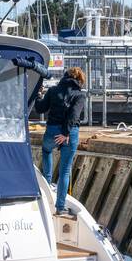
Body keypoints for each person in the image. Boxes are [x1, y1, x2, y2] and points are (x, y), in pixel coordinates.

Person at [33, 66, 88, 216]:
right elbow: (74, 115)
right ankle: (60, 207)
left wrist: (38, 95)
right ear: (80, 80)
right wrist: (65, 133)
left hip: (52, 131)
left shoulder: (53, 91)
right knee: (64, 171)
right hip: (69, 135)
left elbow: (40, 109)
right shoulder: (80, 95)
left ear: (65, 77)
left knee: (46, 150)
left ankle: (47, 184)